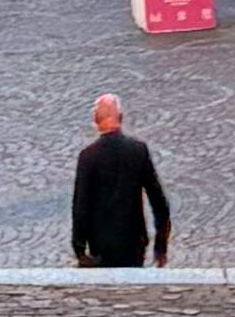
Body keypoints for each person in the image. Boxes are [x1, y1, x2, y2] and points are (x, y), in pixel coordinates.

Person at [70, 95, 172, 268]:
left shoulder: (88, 157)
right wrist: (160, 246)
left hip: (101, 244)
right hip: (133, 241)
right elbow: (158, 200)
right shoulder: (138, 151)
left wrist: (79, 249)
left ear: (96, 121)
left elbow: (81, 206)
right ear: (121, 118)